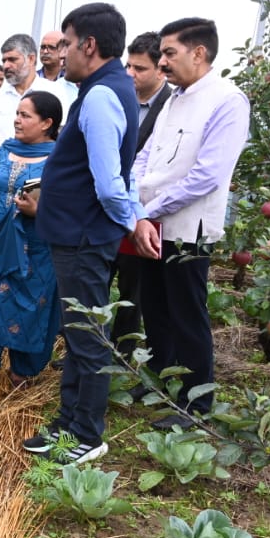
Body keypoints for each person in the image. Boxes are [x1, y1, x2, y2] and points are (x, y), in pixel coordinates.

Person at [26, 2, 147, 464]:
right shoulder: (108, 90)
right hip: (79, 233)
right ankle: (68, 424)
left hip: (83, 235)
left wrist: (129, 220)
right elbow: (122, 170)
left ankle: (87, 434)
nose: (62, 53)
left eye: (68, 44)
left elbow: (109, 180)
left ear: (89, 46)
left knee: (88, 336)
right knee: (78, 332)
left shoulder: (100, 96)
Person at [130, 17, 250, 429]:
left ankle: (197, 404)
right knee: (156, 307)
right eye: (161, 54)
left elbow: (209, 175)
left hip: (188, 227)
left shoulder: (227, 101)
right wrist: (138, 203)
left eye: (169, 53)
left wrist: (150, 209)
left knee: (187, 313)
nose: (162, 62)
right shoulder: (174, 98)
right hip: (151, 221)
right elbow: (147, 153)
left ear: (199, 53)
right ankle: (161, 383)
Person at [0, 91, 63, 402]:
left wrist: (40, 212)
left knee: (31, 308)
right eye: (17, 114)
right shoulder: (6, 150)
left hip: (37, 249)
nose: (17, 120)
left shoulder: (59, 159)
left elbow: (69, 207)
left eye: (26, 116)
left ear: (47, 123)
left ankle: (21, 371)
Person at [111, 32, 173, 363]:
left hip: (144, 210)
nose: (131, 74)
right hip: (108, 205)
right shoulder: (120, 98)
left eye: (140, 68)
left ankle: (122, 352)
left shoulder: (170, 107)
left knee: (132, 286)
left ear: (160, 70)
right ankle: (90, 347)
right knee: (98, 276)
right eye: (128, 66)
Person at [0, 34, 68, 165]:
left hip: (38, 177)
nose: (6, 66)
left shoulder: (55, 92)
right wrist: (6, 166)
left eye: (12, 60)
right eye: (4, 60)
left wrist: (34, 167)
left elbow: (60, 135)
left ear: (31, 59)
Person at [38, 30, 79, 107]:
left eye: (51, 47)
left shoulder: (72, 81)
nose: (45, 51)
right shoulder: (32, 79)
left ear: (63, 49)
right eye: (43, 47)